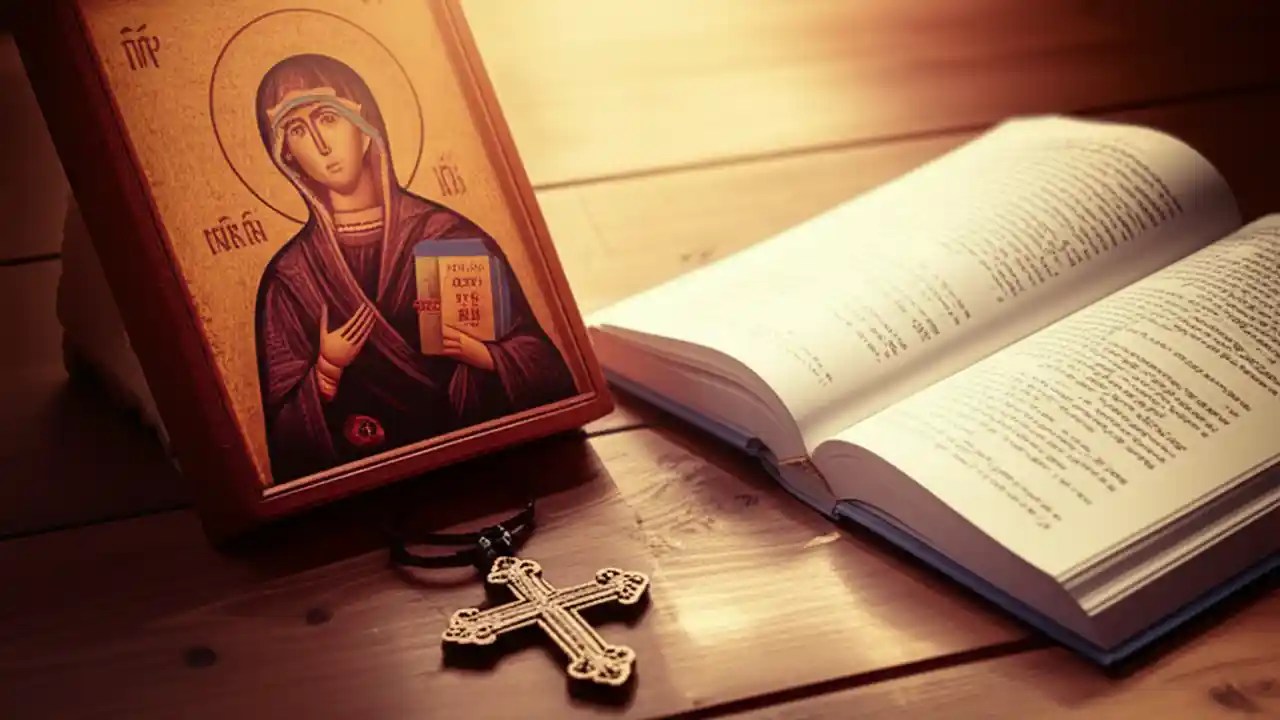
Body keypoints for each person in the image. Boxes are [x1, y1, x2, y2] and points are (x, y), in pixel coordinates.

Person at [253, 53, 575, 484]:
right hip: (370, 493)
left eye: (328, 118)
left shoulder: (448, 236)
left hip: (499, 469)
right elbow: (286, 444)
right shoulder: (291, 279)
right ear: (287, 157)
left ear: (365, 128)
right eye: (297, 131)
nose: (321, 145)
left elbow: (545, 369)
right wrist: (325, 371)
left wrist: (483, 354)